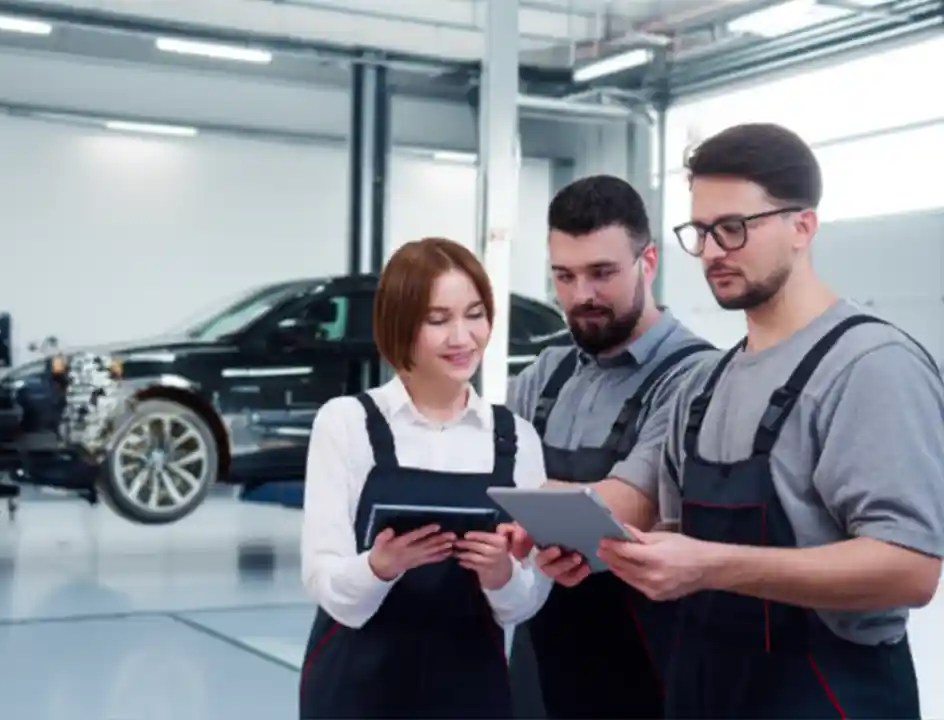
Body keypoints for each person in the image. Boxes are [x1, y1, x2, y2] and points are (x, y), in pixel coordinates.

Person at [547, 122, 944, 718]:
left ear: (801, 227)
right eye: (700, 232)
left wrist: (711, 565)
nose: (710, 251)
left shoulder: (869, 367)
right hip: (705, 691)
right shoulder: (703, 385)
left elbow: (909, 569)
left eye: (732, 229)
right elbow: (678, 539)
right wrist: (600, 554)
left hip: (827, 697)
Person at [298, 237, 552, 719]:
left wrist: (501, 575)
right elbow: (324, 579)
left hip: (471, 690)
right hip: (356, 688)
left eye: (475, 314)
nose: (463, 337)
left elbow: (524, 603)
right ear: (400, 326)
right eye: (439, 320)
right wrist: (380, 565)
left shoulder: (515, 439)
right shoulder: (347, 423)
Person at [503, 174, 716, 719]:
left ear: (648, 263)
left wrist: (516, 500)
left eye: (602, 273)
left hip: (644, 663)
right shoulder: (547, 373)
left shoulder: (696, 376)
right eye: (564, 276)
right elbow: (482, 468)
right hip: (541, 653)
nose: (582, 296)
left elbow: (628, 506)